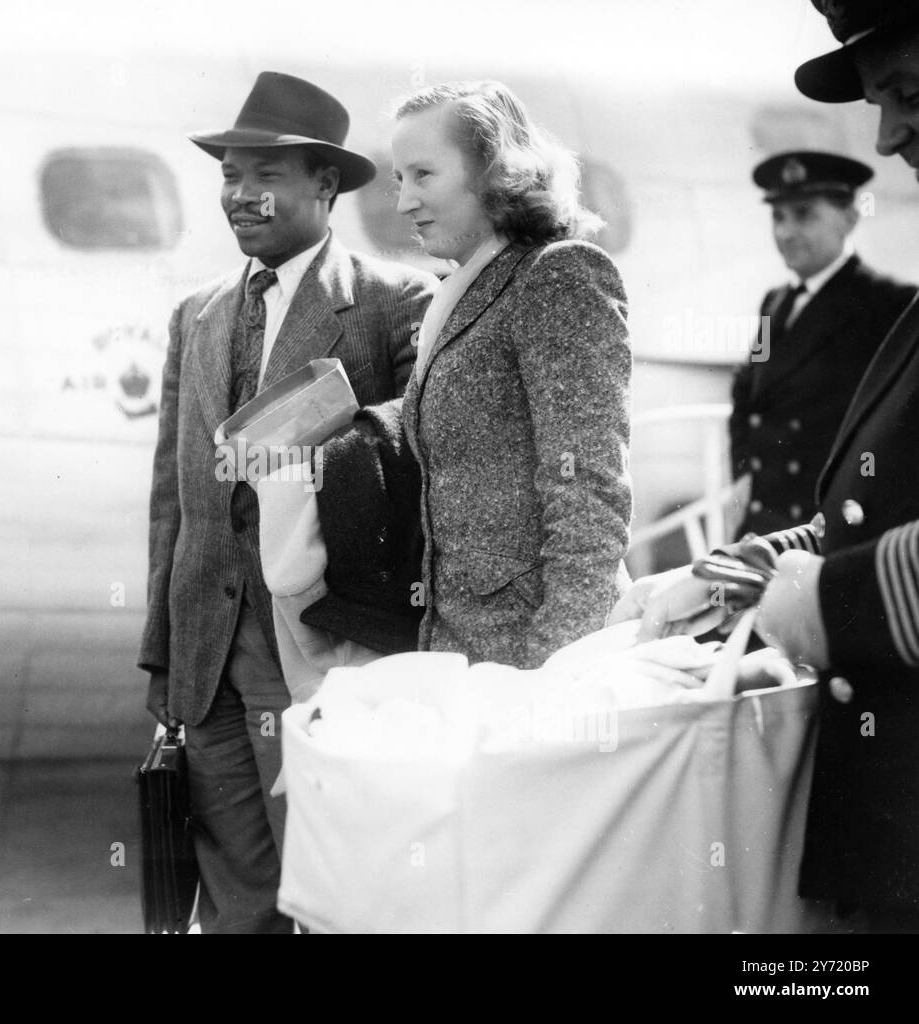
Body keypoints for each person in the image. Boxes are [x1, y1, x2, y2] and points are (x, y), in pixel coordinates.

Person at [612, 0, 919, 930]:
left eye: (908, 92)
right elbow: (875, 497)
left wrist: (822, 599)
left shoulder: (880, 303)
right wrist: (732, 570)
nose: (890, 131)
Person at [138, 71, 436, 933]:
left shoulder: (394, 303)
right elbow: (173, 493)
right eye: (230, 174)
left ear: (326, 185)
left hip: (314, 647)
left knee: (328, 888)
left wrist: (314, 435)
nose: (240, 194)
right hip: (207, 658)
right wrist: (162, 651)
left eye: (265, 174)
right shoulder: (195, 315)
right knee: (235, 896)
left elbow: (422, 446)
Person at [387, 81, 632, 669]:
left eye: (424, 175)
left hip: (530, 655)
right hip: (465, 647)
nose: (403, 202)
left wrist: (555, 670)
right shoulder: (464, 289)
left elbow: (588, 493)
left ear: (496, 172)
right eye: (399, 180)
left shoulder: (558, 274)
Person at [730, 150, 915, 538]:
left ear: (849, 219)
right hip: (763, 517)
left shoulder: (889, 305)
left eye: (804, 215)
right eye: (777, 217)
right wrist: (743, 477)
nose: (785, 232)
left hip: (824, 525)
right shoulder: (775, 304)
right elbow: (749, 391)